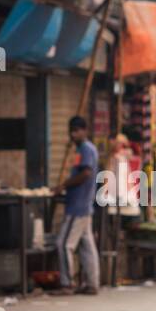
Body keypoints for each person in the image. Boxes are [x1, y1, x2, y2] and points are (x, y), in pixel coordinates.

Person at [52, 115, 100, 295]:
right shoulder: (83, 150)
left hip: (78, 206)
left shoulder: (86, 149)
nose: (72, 135)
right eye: (71, 131)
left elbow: (85, 173)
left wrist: (64, 185)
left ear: (83, 131)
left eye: (76, 131)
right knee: (87, 246)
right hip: (83, 204)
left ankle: (66, 283)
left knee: (63, 244)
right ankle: (92, 283)